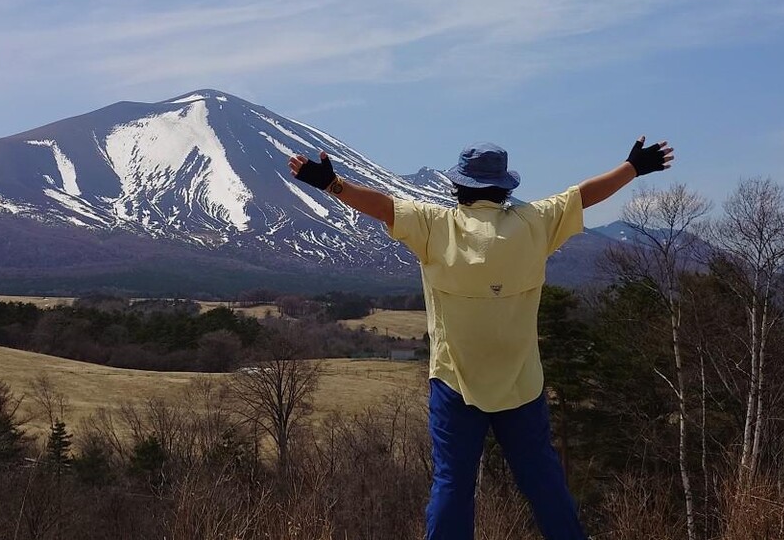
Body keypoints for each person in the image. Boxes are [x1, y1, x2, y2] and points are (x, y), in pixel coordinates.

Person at [286, 136, 673, 540]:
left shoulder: (436, 226)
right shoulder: (534, 224)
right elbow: (582, 196)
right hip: (521, 384)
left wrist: (332, 184)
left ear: (458, 186)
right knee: (543, 481)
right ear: (506, 186)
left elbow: (382, 206)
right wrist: (633, 167)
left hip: (456, 383)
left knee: (453, 483)